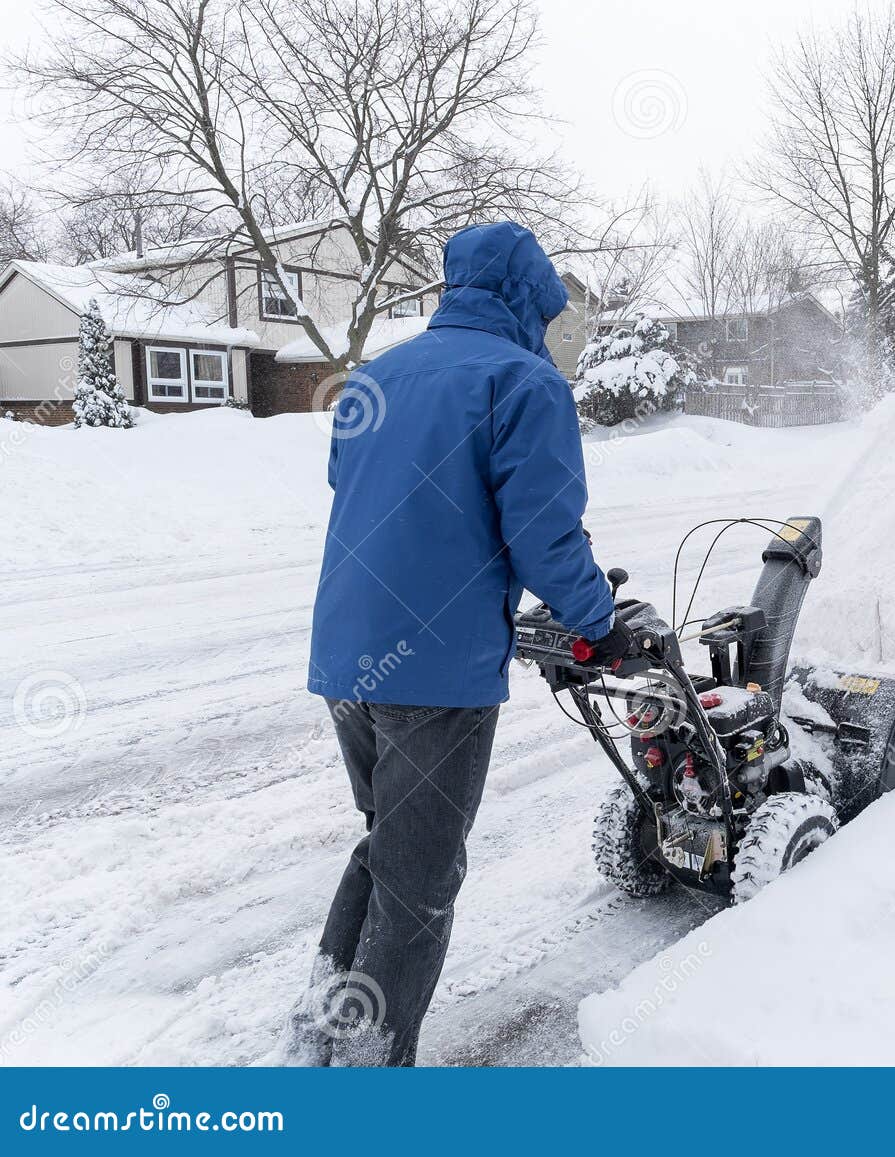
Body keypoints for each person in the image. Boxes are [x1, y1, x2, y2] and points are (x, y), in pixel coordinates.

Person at [290, 221, 632, 1065]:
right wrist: (600, 624)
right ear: (530, 299)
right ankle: (365, 1075)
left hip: (345, 657)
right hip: (435, 675)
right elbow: (545, 536)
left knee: (387, 850)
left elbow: (367, 494)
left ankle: (319, 1038)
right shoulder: (523, 382)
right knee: (419, 885)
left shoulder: (379, 376)